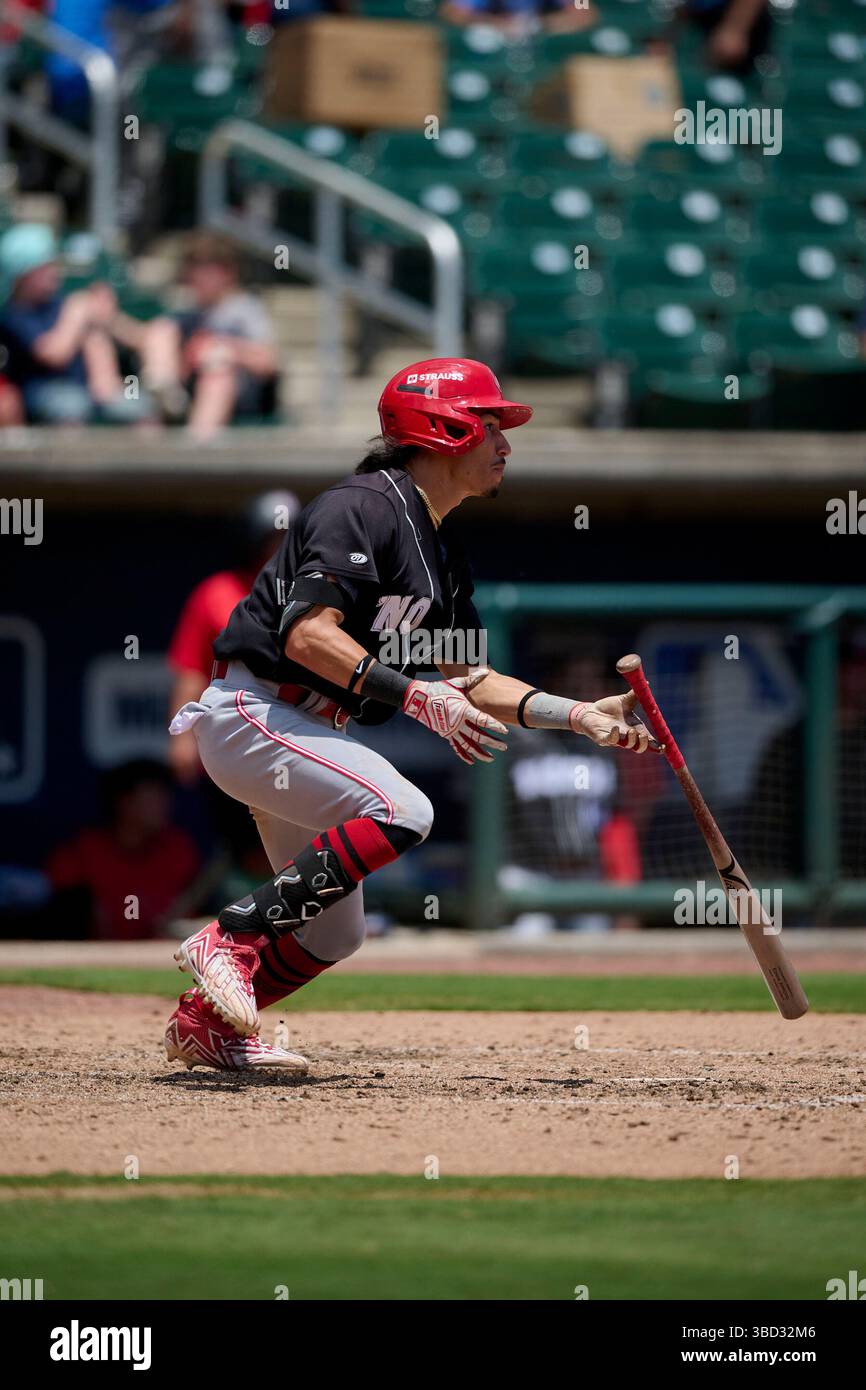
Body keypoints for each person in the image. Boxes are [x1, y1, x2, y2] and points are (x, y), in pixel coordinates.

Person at [162, 357, 659, 1073]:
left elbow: (474, 678)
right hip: (254, 710)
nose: (506, 444)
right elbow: (307, 635)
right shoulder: (361, 506)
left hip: (306, 732)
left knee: (335, 935)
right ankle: (230, 937)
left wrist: (577, 715)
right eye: (490, 426)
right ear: (443, 429)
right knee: (405, 808)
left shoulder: (444, 550)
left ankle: (202, 1025)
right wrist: (417, 694)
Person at [0, 223, 153, 425]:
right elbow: (54, 354)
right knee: (71, 405)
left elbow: (134, 339)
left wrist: (108, 317)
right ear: (22, 274)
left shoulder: (60, 303)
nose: (54, 272)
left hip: (93, 388)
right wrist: (76, 314)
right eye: (45, 267)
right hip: (42, 390)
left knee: (139, 404)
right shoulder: (15, 314)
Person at [140, 232, 280, 439]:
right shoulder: (189, 312)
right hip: (188, 386)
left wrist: (224, 348)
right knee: (160, 331)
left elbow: (269, 362)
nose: (195, 277)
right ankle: (166, 397)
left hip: (239, 393)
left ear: (228, 272)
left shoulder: (246, 310)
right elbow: (148, 339)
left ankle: (196, 452)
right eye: (193, 268)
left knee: (217, 368)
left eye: (205, 269)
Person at [47, 759, 200, 940]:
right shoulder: (85, 851)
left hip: (162, 954)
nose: (163, 805)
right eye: (153, 797)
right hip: (93, 956)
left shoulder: (178, 848)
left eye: (164, 796)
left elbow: (190, 912)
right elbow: (57, 899)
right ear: (124, 802)